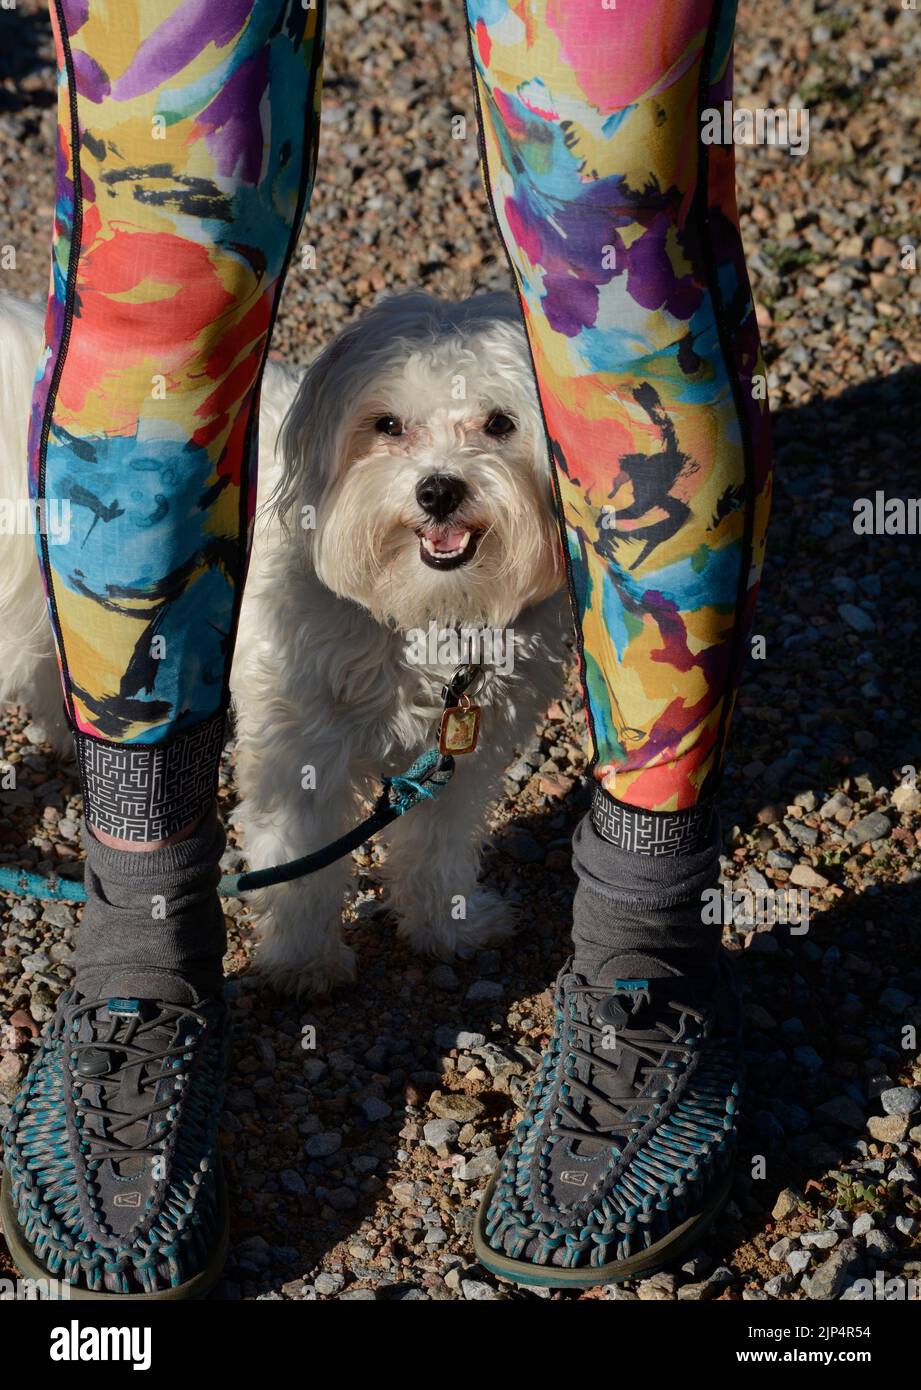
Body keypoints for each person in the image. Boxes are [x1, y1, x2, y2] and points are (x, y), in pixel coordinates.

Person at [2, 0, 770, 1296]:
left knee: (633, 269)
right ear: (334, 448)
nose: (439, 478)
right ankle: (162, 936)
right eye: (393, 434)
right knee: (152, 275)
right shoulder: (311, 562)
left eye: (487, 431)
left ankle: (636, 936)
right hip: (285, 618)